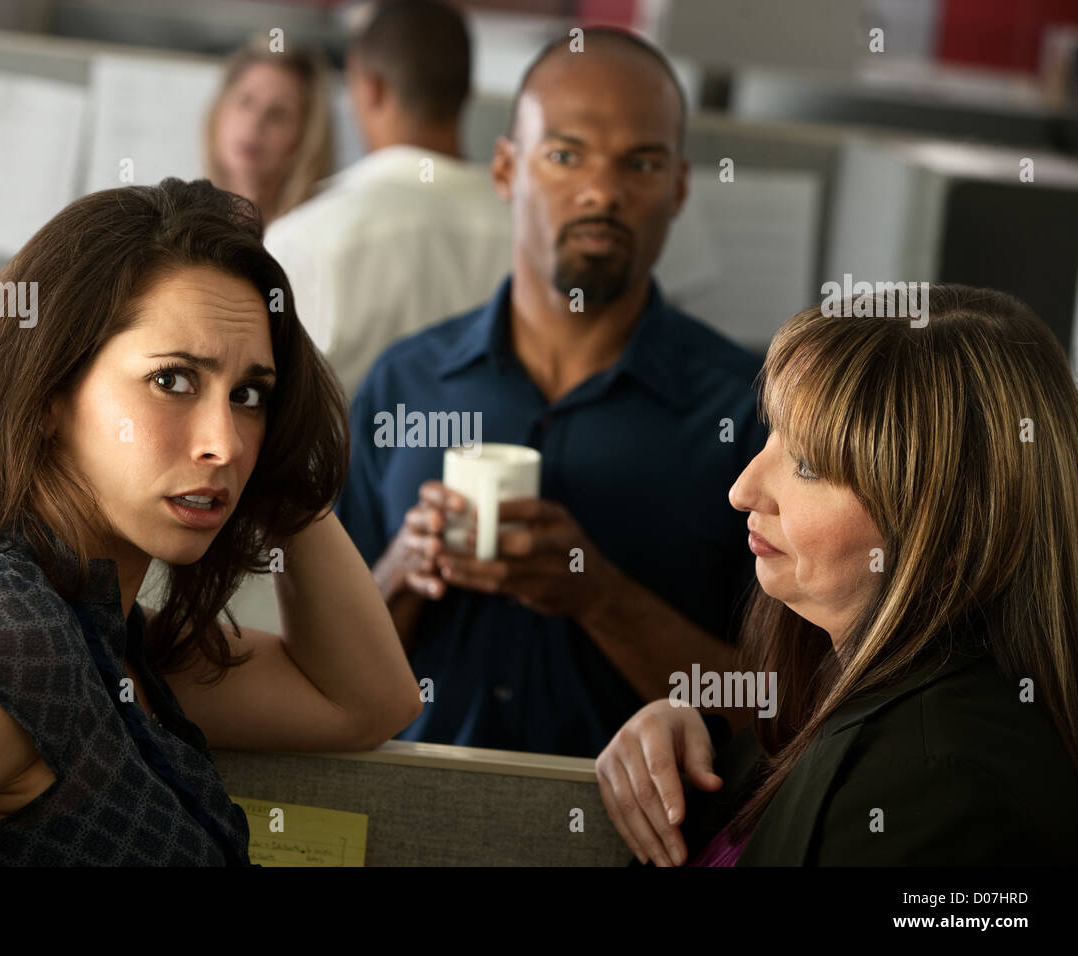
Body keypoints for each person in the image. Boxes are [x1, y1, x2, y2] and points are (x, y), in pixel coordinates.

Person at [0, 178, 421, 866]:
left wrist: (285, 465)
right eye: (173, 380)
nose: (226, 443)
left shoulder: (105, 644)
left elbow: (366, 702)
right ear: (50, 393)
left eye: (249, 395)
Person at [335, 28, 767, 759]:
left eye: (641, 162)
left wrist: (598, 596)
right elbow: (320, 668)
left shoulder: (746, 415)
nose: (602, 191)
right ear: (505, 169)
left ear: (680, 188)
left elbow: (776, 704)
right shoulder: (404, 383)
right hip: (407, 821)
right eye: (565, 155)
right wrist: (402, 572)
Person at [597, 284, 1078, 866]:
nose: (743, 489)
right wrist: (695, 736)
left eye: (809, 465)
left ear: (953, 528)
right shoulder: (831, 691)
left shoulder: (944, 783)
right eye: (772, 433)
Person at [264, 0, 511, 397]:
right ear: (469, 91)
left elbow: (271, 407)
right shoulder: (528, 230)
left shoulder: (306, 238)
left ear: (370, 88)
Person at [203, 36, 333, 225]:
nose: (255, 124)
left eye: (278, 114)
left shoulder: (321, 233)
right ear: (219, 110)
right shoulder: (172, 227)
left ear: (305, 135)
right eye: (245, 101)